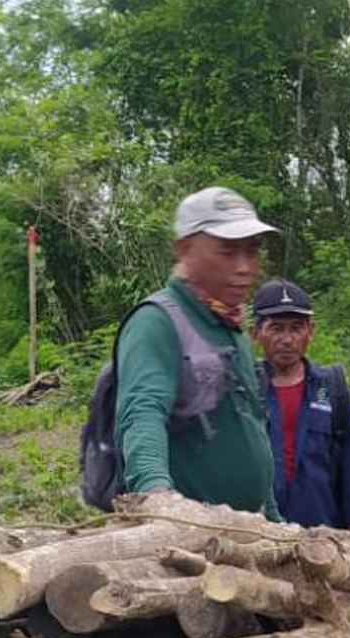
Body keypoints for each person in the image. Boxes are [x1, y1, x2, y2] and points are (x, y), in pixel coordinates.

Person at [114, 187, 283, 519]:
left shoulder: (230, 324)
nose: (245, 267)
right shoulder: (157, 321)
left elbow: (251, 427)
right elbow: (142, 413)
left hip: (249, 529)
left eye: (252, 252)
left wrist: (273, 518)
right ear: (184, 249)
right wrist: (157, 498)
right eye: (228, 252)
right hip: (194, 537)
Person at [250, 278, 350, 532]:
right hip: (257, 535)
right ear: (256, 333)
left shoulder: (333, 391)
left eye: (296, 328)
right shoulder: (244, 392)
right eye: (276, 328)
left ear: (311, 332)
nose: (287, 339)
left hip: (322, 540)